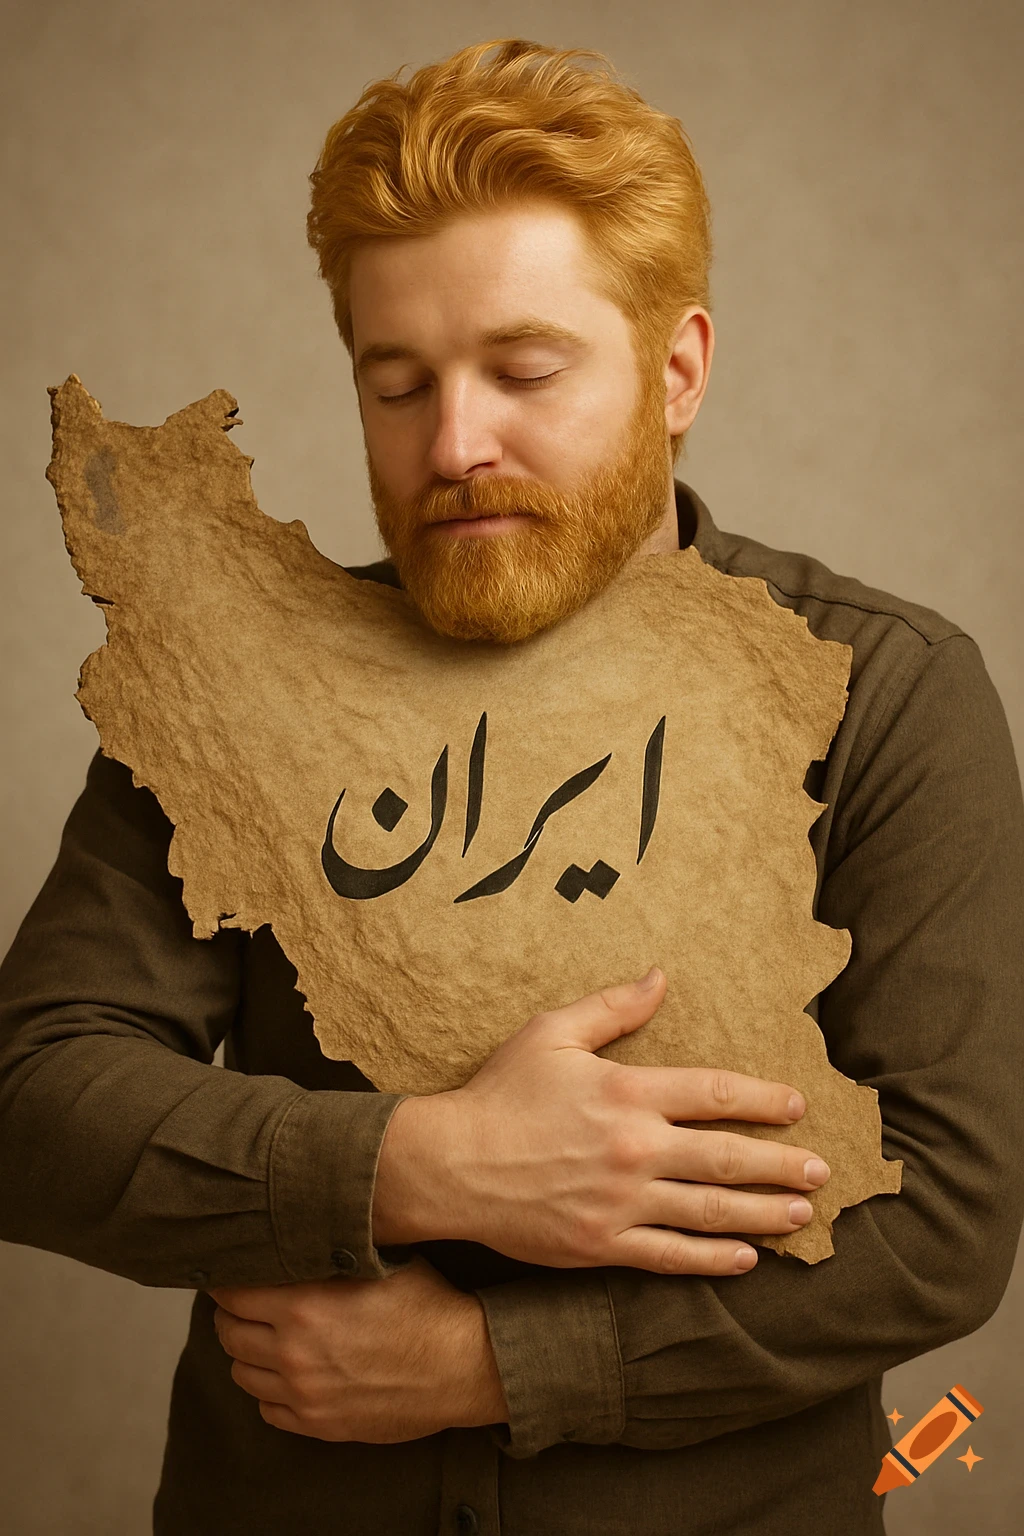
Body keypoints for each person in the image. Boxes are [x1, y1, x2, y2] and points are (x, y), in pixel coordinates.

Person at [1, 36, 1022, 1536]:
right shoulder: (229, 688)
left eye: (525, 372)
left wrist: (492, 1367)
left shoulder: (891, 693)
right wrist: (422, 1167)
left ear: (677, 371)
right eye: (396, 383)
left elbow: (944, 1221)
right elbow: (33, 1099)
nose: (455, 445)